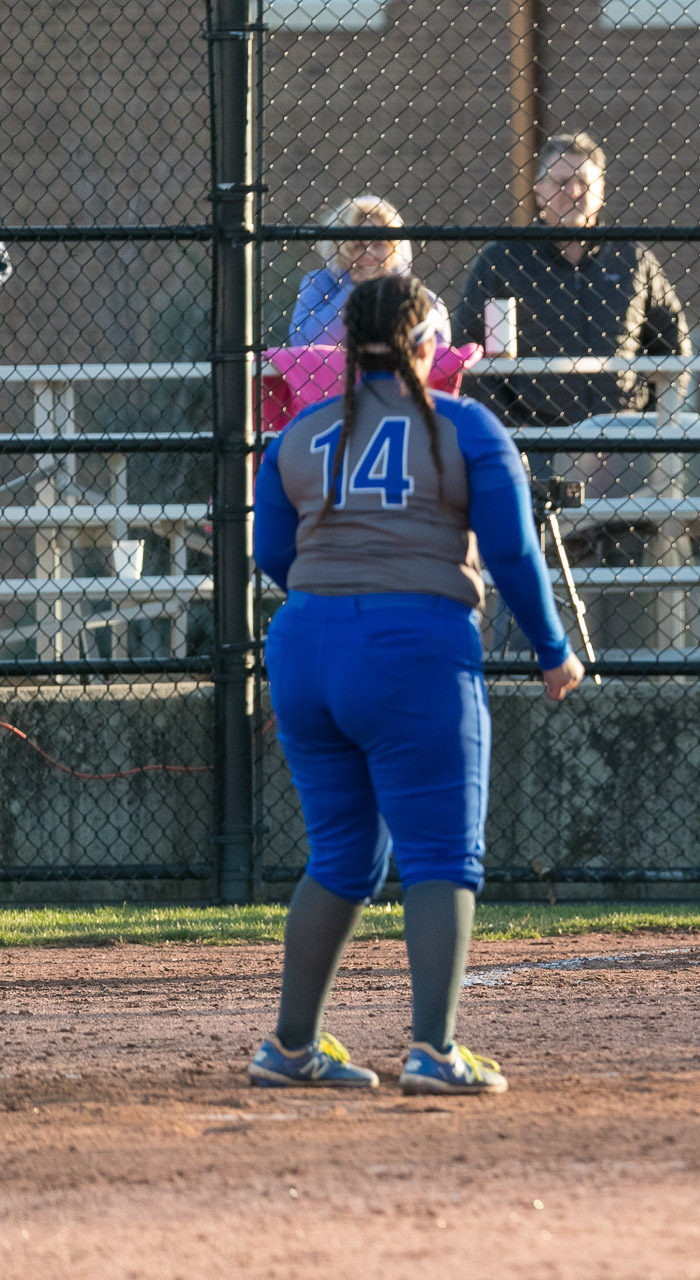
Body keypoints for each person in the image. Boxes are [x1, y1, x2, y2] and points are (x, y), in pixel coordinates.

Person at [247, 275, 585, 1095]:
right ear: (429, 344)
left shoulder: (301, 432)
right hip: (414, 644)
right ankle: (434, 1050)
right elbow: (512, 551)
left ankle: (290, 1047)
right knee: (441, 854)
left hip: (304, 645)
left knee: (340, 856)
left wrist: (339, 599)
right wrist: (553, 649)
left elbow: (273, 555)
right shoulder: (464, 425)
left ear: (344, 348)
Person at [451, 132, 689, 427]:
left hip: (623, 435)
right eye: (561, 182)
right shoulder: (503, 260)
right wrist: (511, 427)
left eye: (583, 182)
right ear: (539, 192)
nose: (574, 192)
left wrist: (648, 422)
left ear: (601, 190)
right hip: (534, 436)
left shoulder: (634, 261)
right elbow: (468, 349)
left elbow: (673, 345)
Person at [290, 195, 412, 346]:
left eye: (379, 245)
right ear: (340, 249)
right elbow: (303, 340)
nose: (370, 254)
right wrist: (355, 293)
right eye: (359, 246)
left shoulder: (408, 291)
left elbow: (433, 342)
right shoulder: (319, 283)